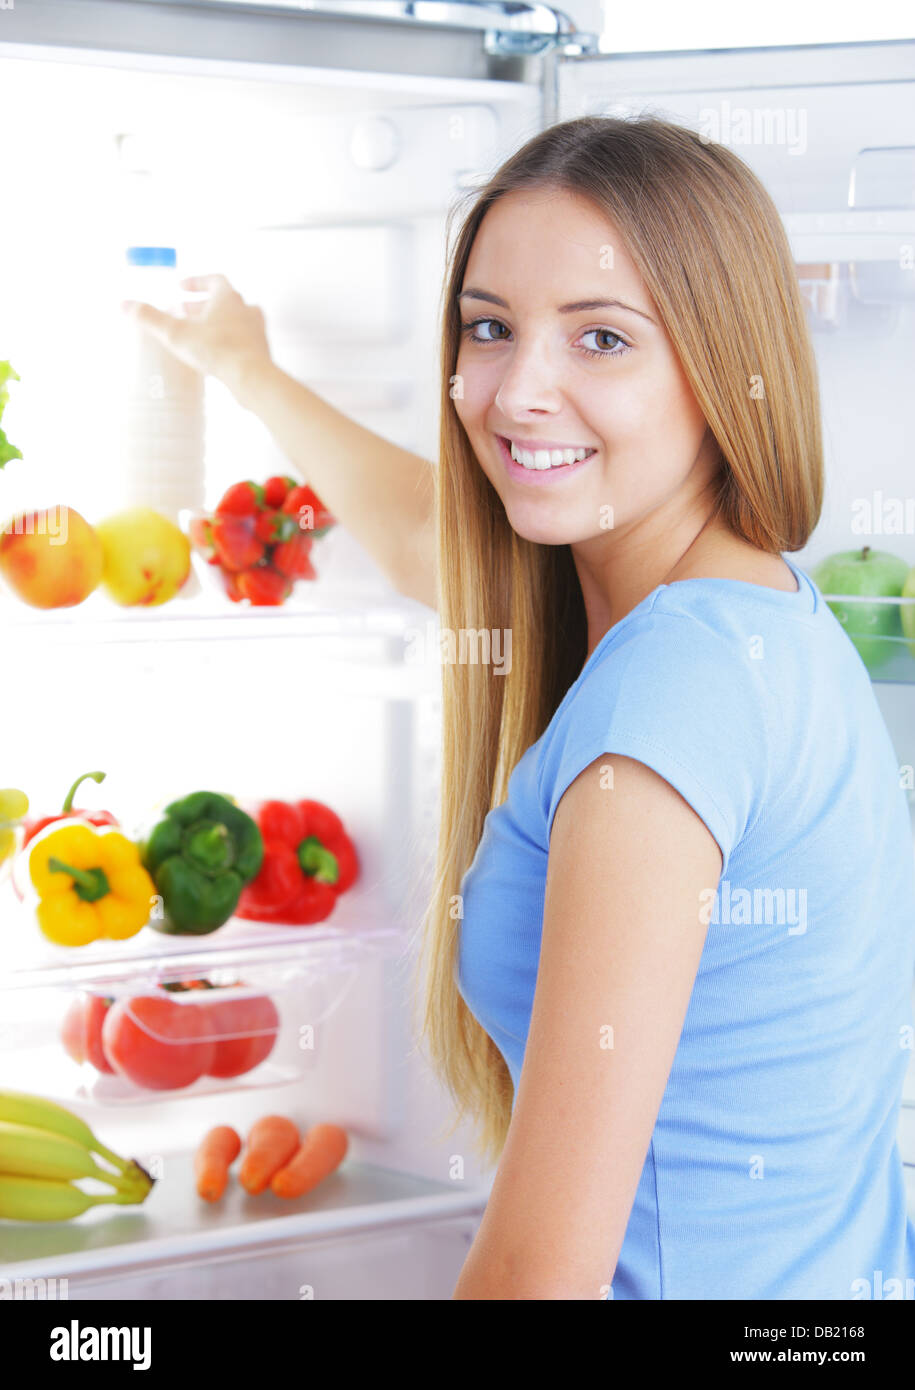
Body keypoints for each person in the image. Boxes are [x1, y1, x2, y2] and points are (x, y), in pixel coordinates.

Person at [125, 114, 915, 1302]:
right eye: (489, 328)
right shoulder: (755, 614)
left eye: (601, 338)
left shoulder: (664, 701)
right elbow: (419, 535)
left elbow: (539, 1279)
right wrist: (243, 369)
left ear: (719, 365)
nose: (516, 393)